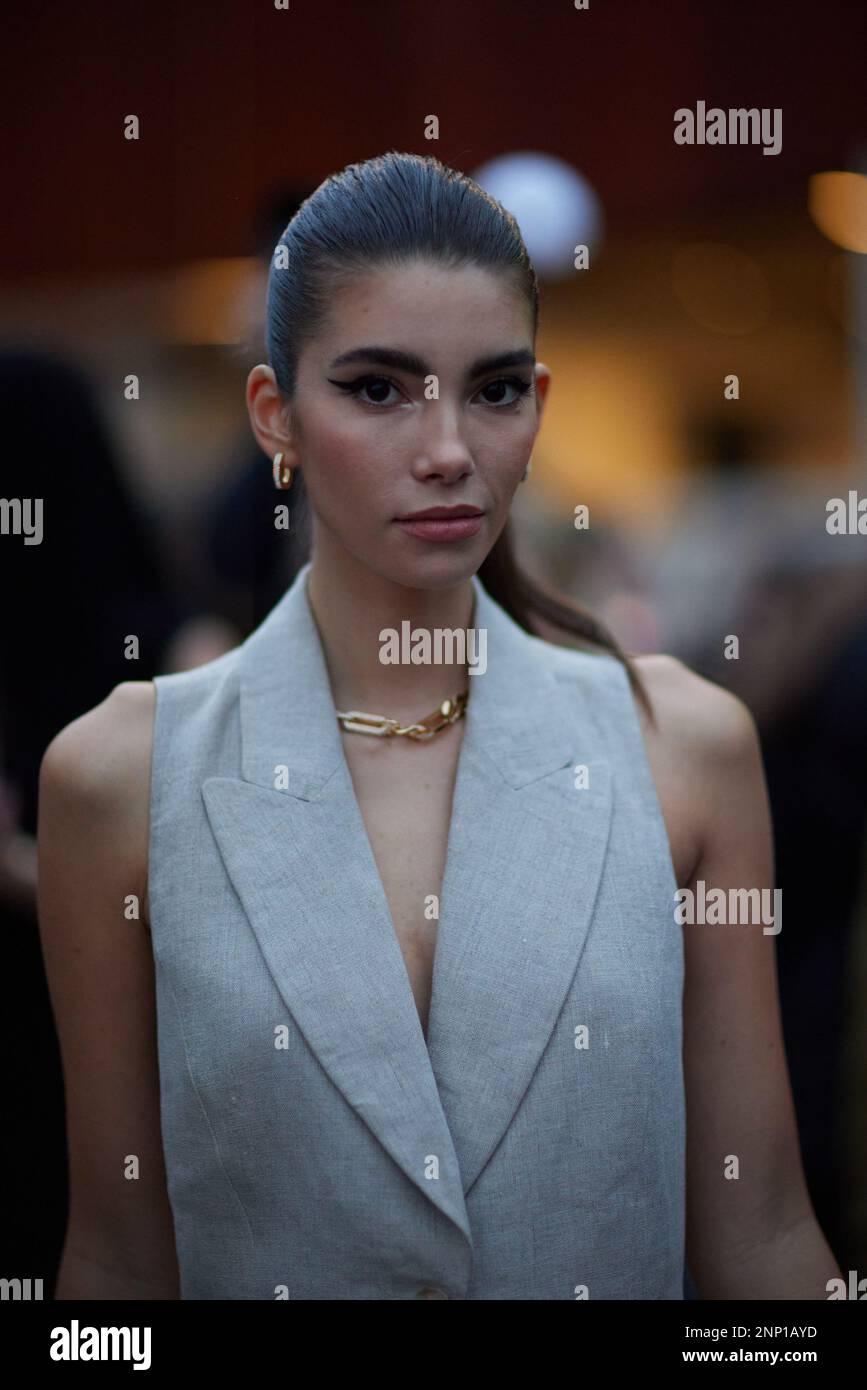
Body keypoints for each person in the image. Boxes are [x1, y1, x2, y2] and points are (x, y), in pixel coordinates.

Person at [37, 151, 841, 1300]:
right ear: (277, 416)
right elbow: (115, 1263)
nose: (450, 447)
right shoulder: (122, 777)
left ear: (538, 406)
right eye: (377, 387)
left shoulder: (683, 750)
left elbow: (759, 1228)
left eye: (496, 388)